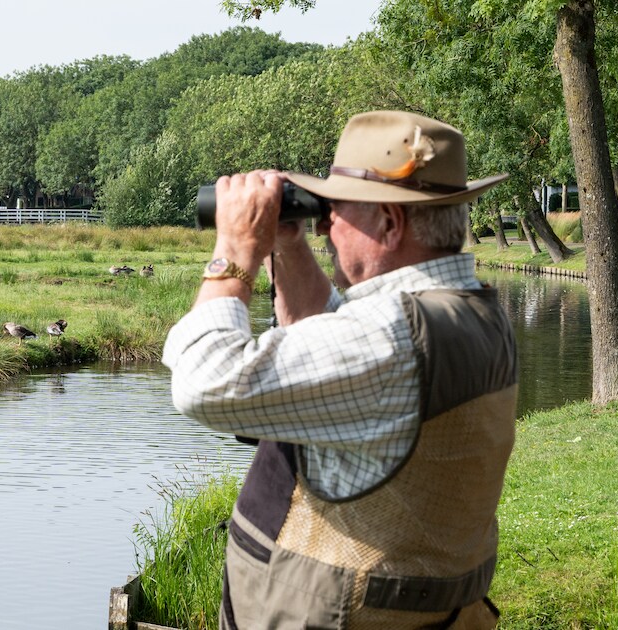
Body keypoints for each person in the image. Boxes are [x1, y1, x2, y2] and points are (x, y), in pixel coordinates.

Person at [162, 110, 517, 629]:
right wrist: (287, 243)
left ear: (390, 224)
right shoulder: (471, 312)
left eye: (336, 209)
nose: (324, 224)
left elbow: (203, 382)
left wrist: (235, 249)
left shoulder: (389, 337)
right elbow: (333, 347)